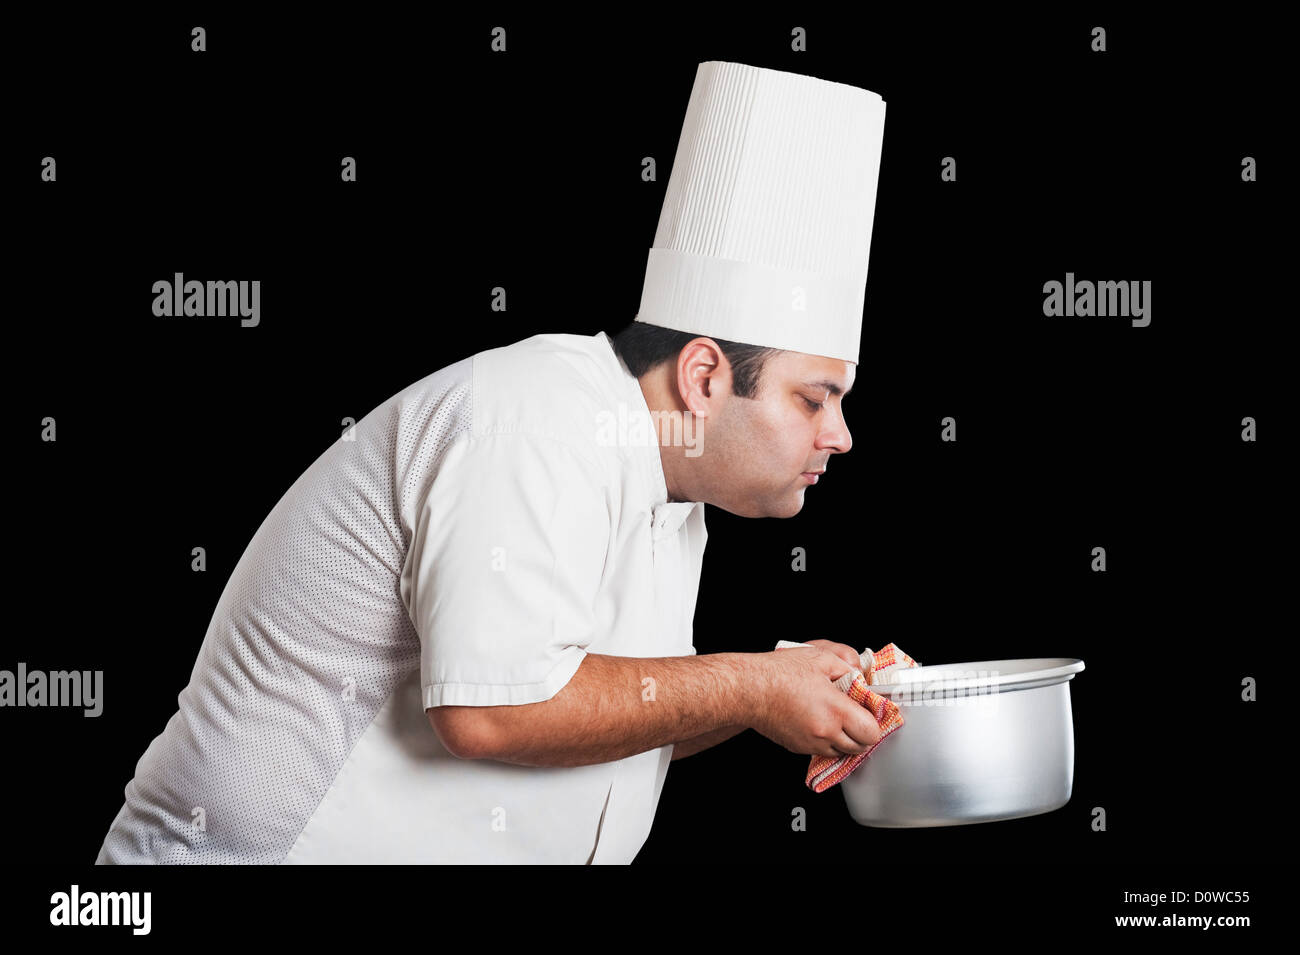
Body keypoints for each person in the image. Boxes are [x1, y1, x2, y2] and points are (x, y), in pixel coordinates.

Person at [95, 59, 888, 864]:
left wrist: (785, 689)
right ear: (705, 377)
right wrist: (751, 685)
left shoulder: (670, 491)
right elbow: (494, 708)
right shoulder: (535, 418)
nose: (840, 434)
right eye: (813, 398)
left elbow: (621, 710)